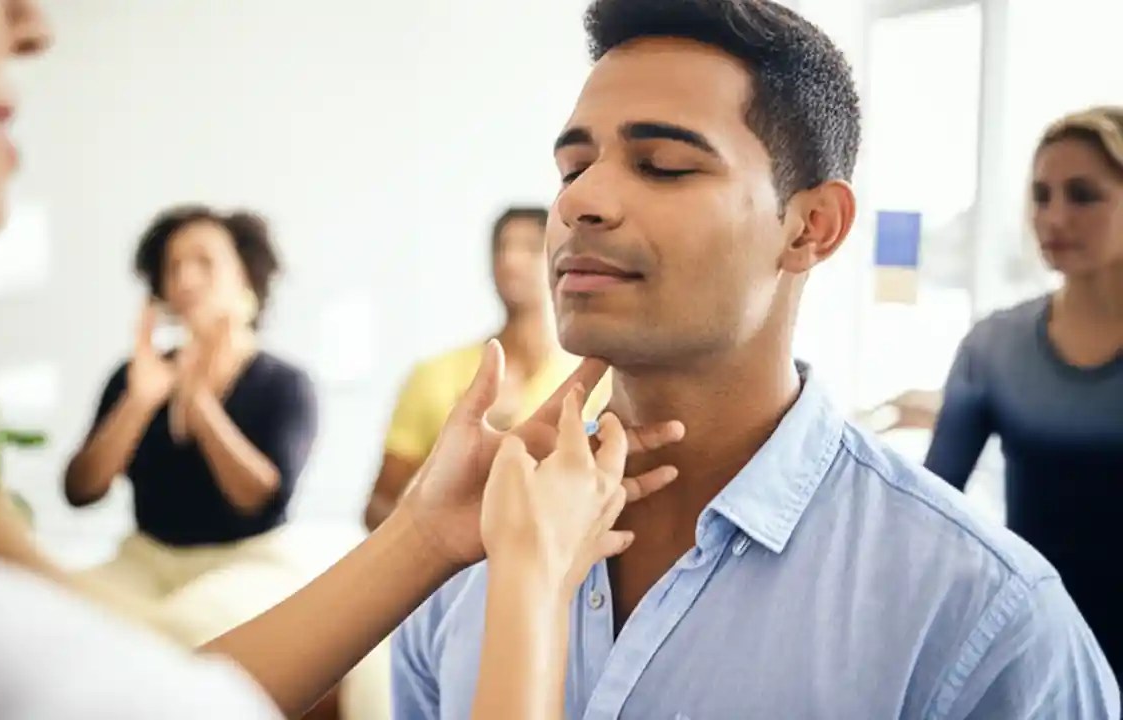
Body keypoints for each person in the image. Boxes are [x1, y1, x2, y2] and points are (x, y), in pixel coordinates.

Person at [0, 2, 687, 718]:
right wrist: (532, 575)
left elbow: (188, 667)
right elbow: (85, 500)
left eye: (664, 167)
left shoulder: (280, 383)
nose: (32, 23)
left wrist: (426, 533)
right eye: (571, 168)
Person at [392, 1, 1120, 718]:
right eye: (572, 168)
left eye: (663, 166)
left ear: (810, 227)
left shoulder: (982, 623)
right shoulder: (465, 561)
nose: (582, 200)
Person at [922, 106, 1123, 674]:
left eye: (1083, 195)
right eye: (1041, 196)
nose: (1054, 217)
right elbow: (932, 508)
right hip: (1038, 658)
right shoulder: (994, 347)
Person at [64, 205, 320, 648]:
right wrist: (139, 402)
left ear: (245, 276)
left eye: (204, 262)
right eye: (173, 266)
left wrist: (198, 402)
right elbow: (81, 491)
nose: (186, 278)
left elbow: (259, 499)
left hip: (249, 562)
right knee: (60, 607)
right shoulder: (136, 376)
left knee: (187, 626)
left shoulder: (286, 383)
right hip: (145, 559)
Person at [365, 207, 607, 531]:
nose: (511, 260)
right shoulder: (433, 375)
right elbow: (377, 509)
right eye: (502, 248)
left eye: (531, 247)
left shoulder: (600, 381)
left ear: (563, 259)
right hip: (449, 560)